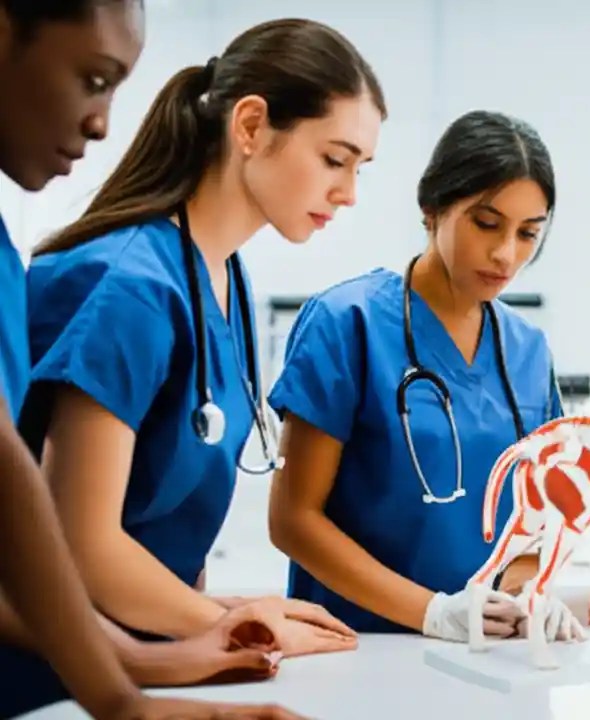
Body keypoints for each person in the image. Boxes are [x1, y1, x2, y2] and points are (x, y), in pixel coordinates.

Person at [17, 16, 385, 668]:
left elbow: (169, 538)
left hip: (151, 658)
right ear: (249, 126)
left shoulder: (225, 280)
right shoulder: (128, 285)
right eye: (334, 159)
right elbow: (84, 544)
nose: (348, 193)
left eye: (360, 169)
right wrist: (243, 626)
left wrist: (229, 614)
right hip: (59, 670)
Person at [0, 1, 302, 718]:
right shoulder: (133, 282)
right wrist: (130, 682)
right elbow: (44, 517)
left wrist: (153, 659)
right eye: (94, 78)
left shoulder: (218, 282)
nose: (103, 120)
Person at [266, 109, 584, 644]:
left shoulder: (527, 351)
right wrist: (433, 613)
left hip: (484, 656)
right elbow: (293, 519)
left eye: (528, 233)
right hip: (356, 648)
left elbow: (532, 520)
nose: (507, 254)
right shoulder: (349, 323)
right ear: (431, 207)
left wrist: (527, 596)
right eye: (486, 223)